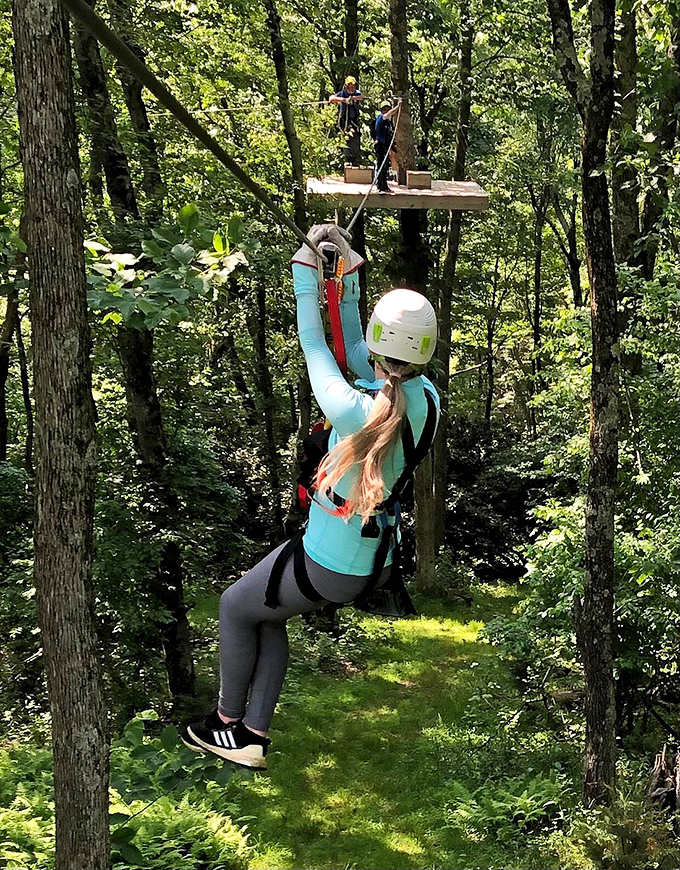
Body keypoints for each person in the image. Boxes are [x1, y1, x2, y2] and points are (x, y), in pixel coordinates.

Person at [184, 224, 439, 770]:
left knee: (233, 606)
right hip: (367, 559)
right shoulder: (423, 400)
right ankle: (250, 732)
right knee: (264, 615)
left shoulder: (357, 410)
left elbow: (318, 348)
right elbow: (357, 360)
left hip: (329, 560)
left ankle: (226, 725)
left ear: (378, 343)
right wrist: (344, 279)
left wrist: (306, 275)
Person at [329, 76, 364, 166]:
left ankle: (356, 159)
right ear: (347, 85)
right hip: (345, 120)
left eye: (353, 85)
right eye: (350, 85)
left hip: (354, 120)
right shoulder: (343, 93)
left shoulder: (357, 93)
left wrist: (352, 98)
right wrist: (343, 100)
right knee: (345, 138)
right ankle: (347, 159)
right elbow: (331, 98)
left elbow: (362, 97)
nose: (352, 86)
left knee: (355, 139)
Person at [374, 99, 401, 193]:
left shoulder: (388, 123)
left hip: (385, 146)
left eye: (387, 109)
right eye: (385, 109)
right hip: (380, 146)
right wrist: (397, 107)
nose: (386, 111)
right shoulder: (381, 118)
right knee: (381, 166)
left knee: (385, 166)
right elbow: (387, 114)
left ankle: (384, 186)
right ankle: (380, 186)